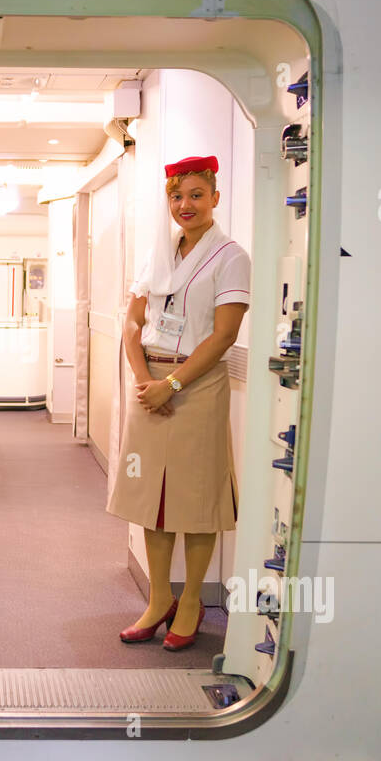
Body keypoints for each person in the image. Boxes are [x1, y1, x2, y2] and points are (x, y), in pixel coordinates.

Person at [105, 155, 251, 650]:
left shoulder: (231, 255)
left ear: (215, 196)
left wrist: (175, 385)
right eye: (176, 196)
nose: (184, 205)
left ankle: (191, 600)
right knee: (153, 499)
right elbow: (131, 323)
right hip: (151, 383)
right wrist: (146, 379)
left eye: (194, 194)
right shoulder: (158, 253)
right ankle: (158, 598)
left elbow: (225, 333)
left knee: (196, 497)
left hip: (197, 384)